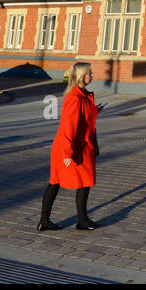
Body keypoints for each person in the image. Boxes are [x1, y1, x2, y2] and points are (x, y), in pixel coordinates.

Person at [39, 62, 101, 231]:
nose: (92, 75)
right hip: (71, 146)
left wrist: (95, 111)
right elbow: (68, 126)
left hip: (82, 144)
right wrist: (67, 154)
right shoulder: (74, 97)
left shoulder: (83, 95)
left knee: (82, 182)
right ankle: (47, 220)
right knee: (57, 181)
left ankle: (80, 219)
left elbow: (83, 119)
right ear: (81, 76)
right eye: (89, 73)